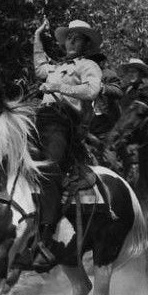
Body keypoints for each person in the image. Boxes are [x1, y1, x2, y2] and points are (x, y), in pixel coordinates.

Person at [32, 18, 103, 270]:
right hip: (39, 120)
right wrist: (38, 37)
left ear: (85, 44)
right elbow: (40, 67)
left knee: (49, 170)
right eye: (69, 37)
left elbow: (92, 90)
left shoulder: (88, 65)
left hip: (62, 123)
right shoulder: (56, 66)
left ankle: (47, 238)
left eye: (78, 38)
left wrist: (58, 87)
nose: (72, 41)